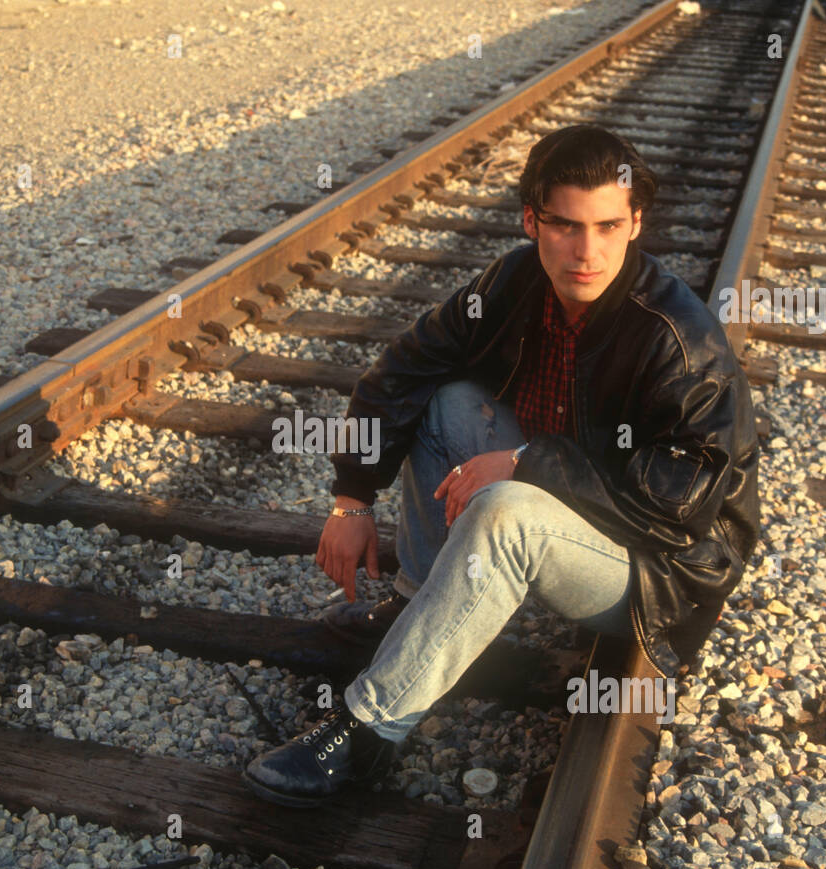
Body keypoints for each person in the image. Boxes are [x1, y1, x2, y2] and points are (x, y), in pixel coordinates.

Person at [243, 124, 760, 808]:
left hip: (657, 565)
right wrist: (352, 499)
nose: (586, 250)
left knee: (504, 510)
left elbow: (676, 503)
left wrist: (524, 462)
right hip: (572, 498)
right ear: (532, 221)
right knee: (446, 401)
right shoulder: (515, 281)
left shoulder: (677, 338)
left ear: (636, 224)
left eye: (608, 226)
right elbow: (403, 369)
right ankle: (418, 602)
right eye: (566, 226)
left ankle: (367, 732)